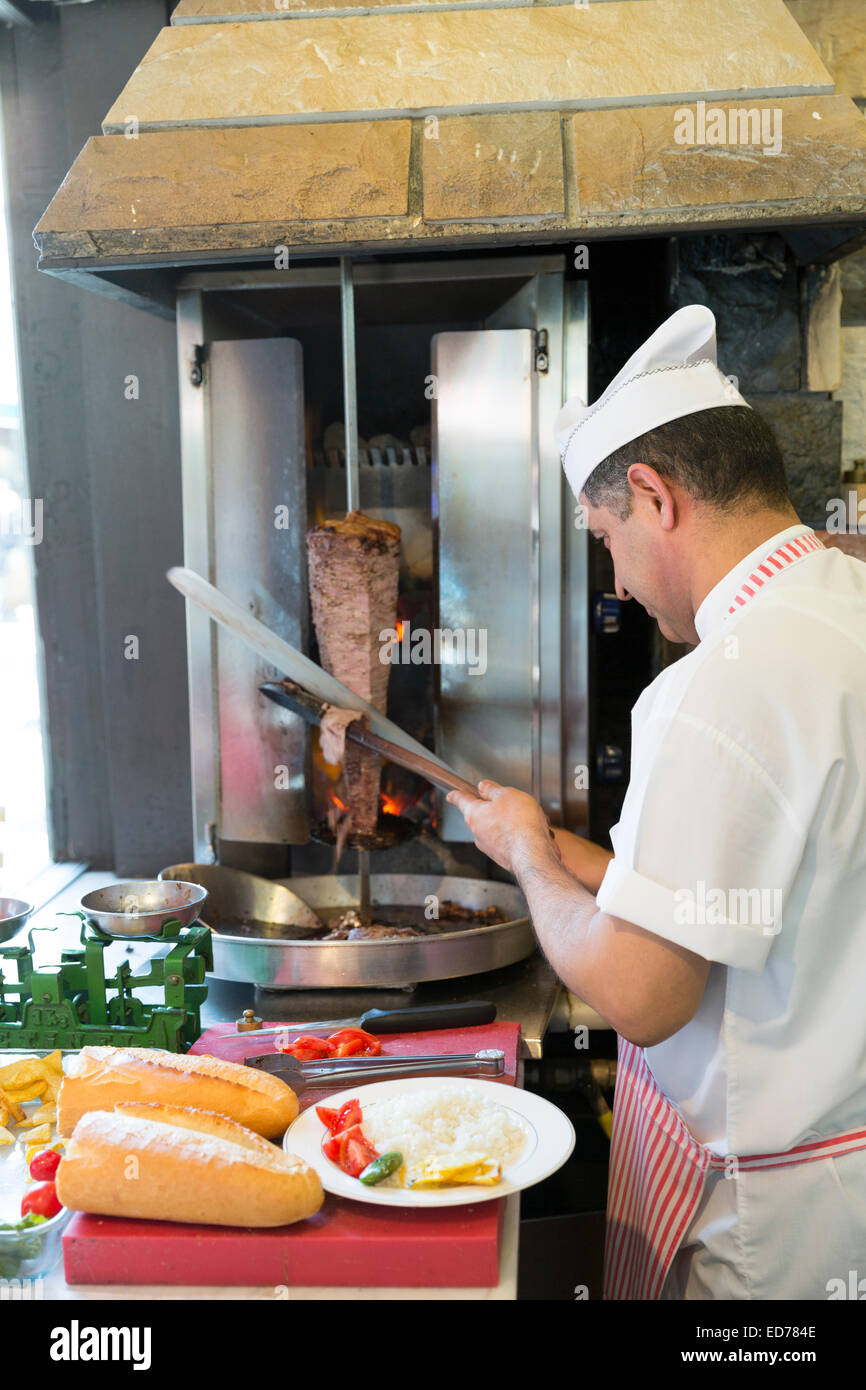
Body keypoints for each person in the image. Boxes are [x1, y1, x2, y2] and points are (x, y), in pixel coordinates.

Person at [445, 305, 866, 1300]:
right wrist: (539, 838)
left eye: (605, 536)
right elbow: (737, 887)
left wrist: (531, 864)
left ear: (651, 495)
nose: (617, 580)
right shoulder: (839, 605)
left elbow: (640, 992)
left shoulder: (715, 681)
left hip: (768, 1236)